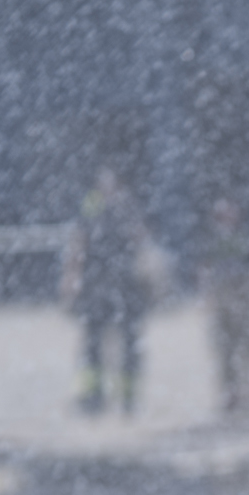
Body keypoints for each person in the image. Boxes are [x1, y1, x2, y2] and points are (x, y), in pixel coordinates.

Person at [61, 165, 152, 417]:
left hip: (124, 285)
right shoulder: (91, 207)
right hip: (97, 286)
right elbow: (78, 242)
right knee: (92, 344)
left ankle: (128, 398)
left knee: (129, 344)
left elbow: (141, 242)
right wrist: (72, 277)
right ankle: (93, 397)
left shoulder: (128, 207)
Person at [197, 196, 249, 418]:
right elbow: (204, 268)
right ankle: (231, 393)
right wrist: (207, 297)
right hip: (224, 297)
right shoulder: (211, 239)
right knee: (226, 348)